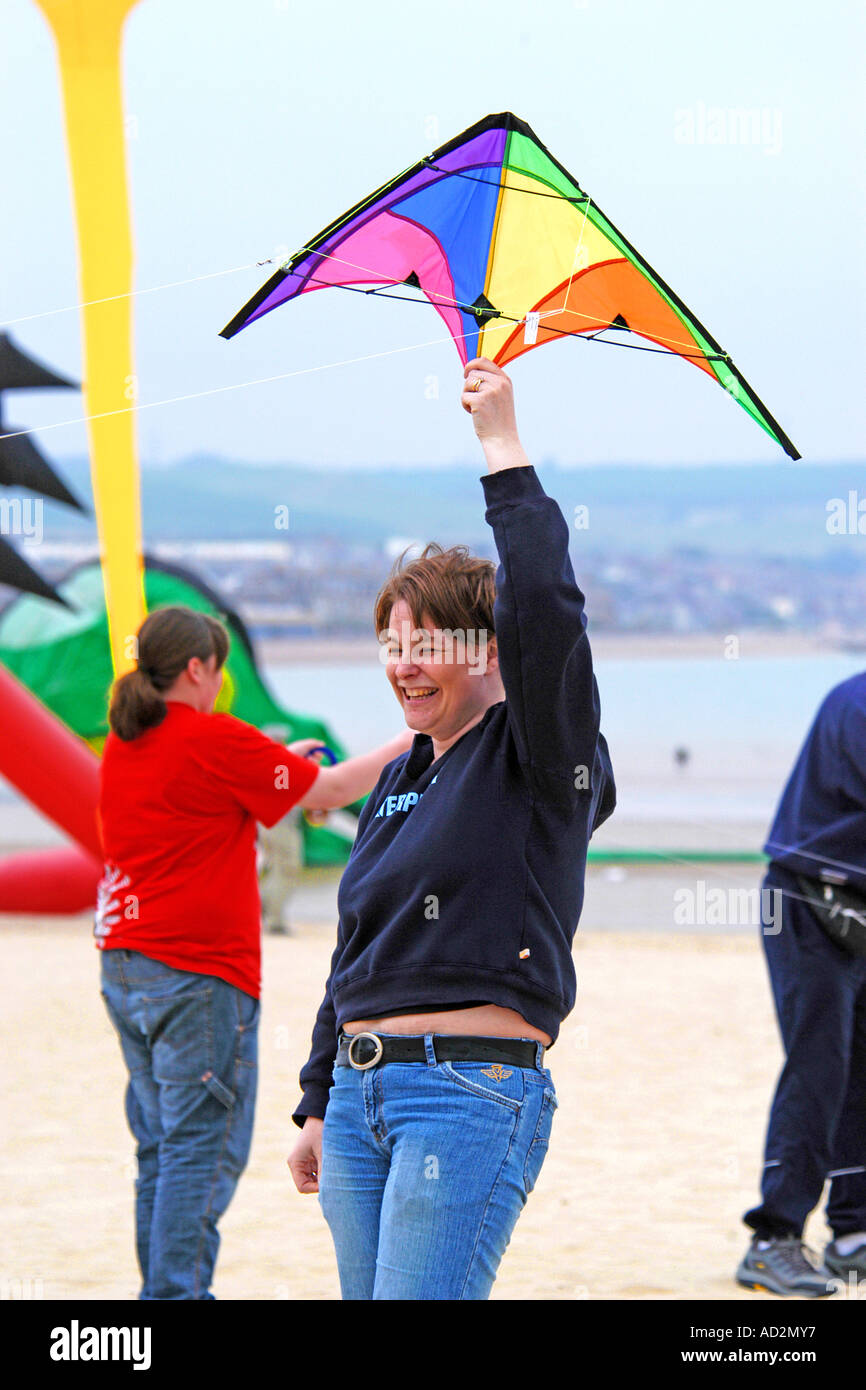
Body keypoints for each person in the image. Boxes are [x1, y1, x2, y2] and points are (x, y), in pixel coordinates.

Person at [288, 358, 615, 1300]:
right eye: (391, 644)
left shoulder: (537, 754)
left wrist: (501, 443)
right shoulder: (397, 778)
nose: (402, 664)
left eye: (426, 642)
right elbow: (360, 946)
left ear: (487, 651)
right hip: (358, 1101)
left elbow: (549, 608)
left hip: (467, 1091)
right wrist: (317, 1098)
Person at [96, 604, 411, 1300]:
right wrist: (411, 738)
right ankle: (175, 1294)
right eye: (219, 671)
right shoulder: (213, 739)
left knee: (161, 1147)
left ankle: (163, 1290)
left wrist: (281, 767)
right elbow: (328, 790)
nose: (220, 686)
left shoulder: (126, 742)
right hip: (197, 972)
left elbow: (227, 795)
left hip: (123, 961)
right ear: (197, 669)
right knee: (204, 1152)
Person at [737, 671, 866, 1296]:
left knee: (857, 1065)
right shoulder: (859, 701)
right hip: (804, 898)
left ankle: (853, 1235)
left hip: (855, 902)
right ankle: (774, 1237)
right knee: (820, 1063)